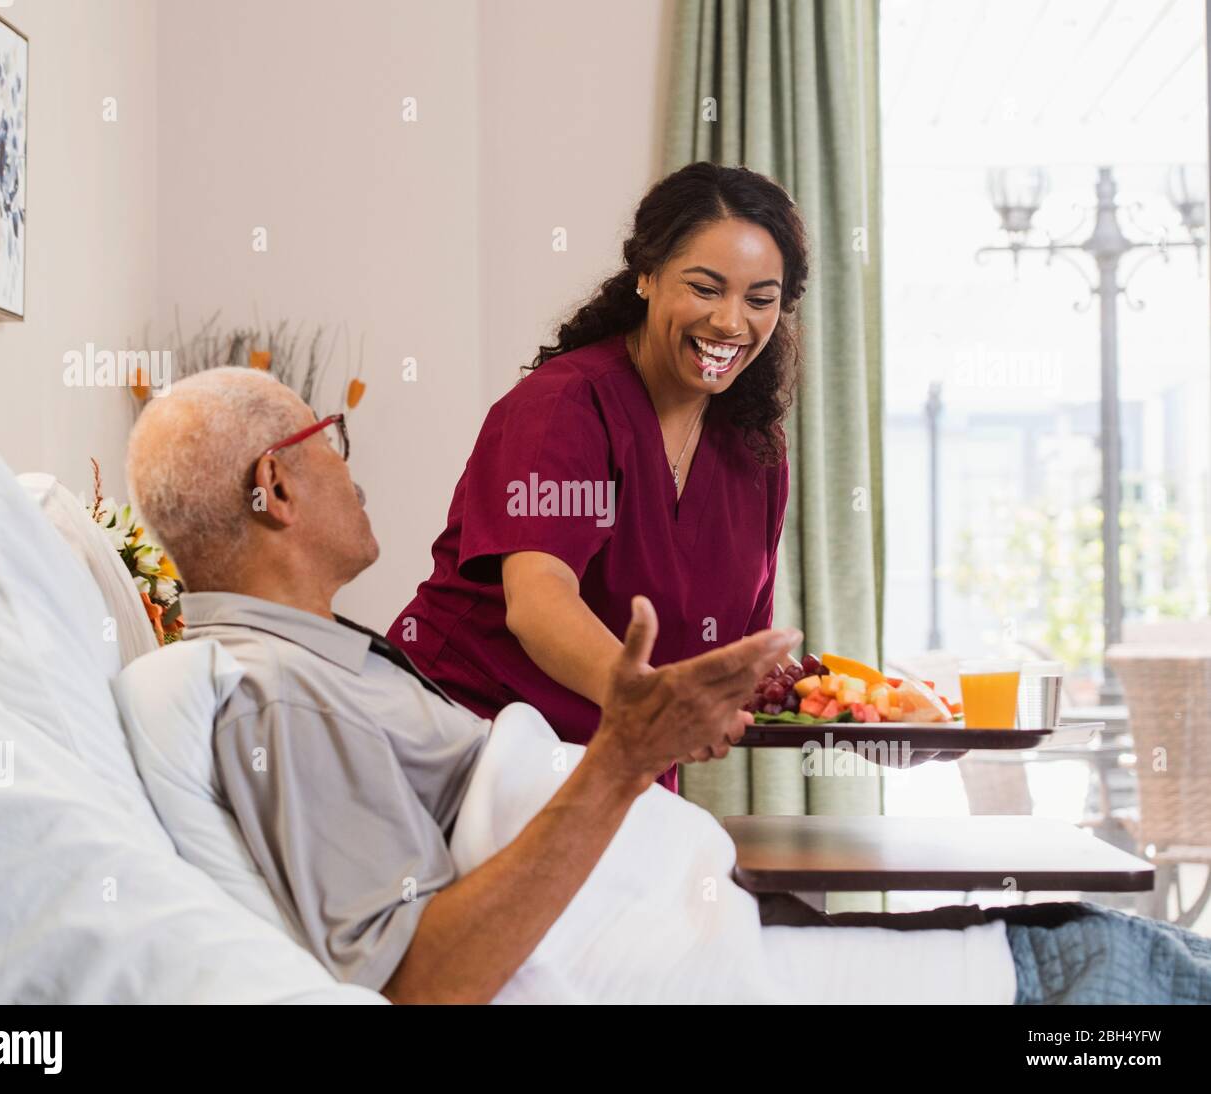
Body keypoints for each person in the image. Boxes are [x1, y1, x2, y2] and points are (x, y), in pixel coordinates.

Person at [125, 367, 1211, 1006]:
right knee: (1120, 964)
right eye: (330, 442)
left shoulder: (318, 663)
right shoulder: (277, 700)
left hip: (716, 929)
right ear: (274, 487)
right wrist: (622, 755)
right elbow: (423, 979)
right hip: (715, 965)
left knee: (1132, 948)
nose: (352, 467)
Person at [388, 162, 807, 792]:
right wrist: (656, 702)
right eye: (704, 287)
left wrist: (867, 722)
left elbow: (738, 662)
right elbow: (539, 601)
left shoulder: (755, 450)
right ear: (646, 275)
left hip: (613, 768)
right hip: (461, 744)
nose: (730, 322)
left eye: (759, 299)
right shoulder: (565, 407)